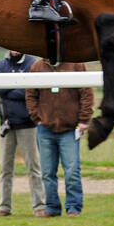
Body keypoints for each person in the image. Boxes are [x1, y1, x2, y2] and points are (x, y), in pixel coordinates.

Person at [25, 59, 95, 217]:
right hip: (45, 129)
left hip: (70, 129)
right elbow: (31, 94)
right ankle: (52, 207)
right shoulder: (37, 67)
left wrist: (84, 119)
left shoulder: (76, 64)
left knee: (72, 171)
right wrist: (37, 117)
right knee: (47, 172)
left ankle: (73, 207)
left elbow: (86, 92)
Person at [0, 50, 44, 216]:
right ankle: (4, 207)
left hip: (27, 125)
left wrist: (5, 88)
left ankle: (39, 205)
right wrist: (17, 85)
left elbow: (31, 91)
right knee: (5, 169)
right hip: (6, 123)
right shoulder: (1, 64)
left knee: (33, 167)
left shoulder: (32, 63)